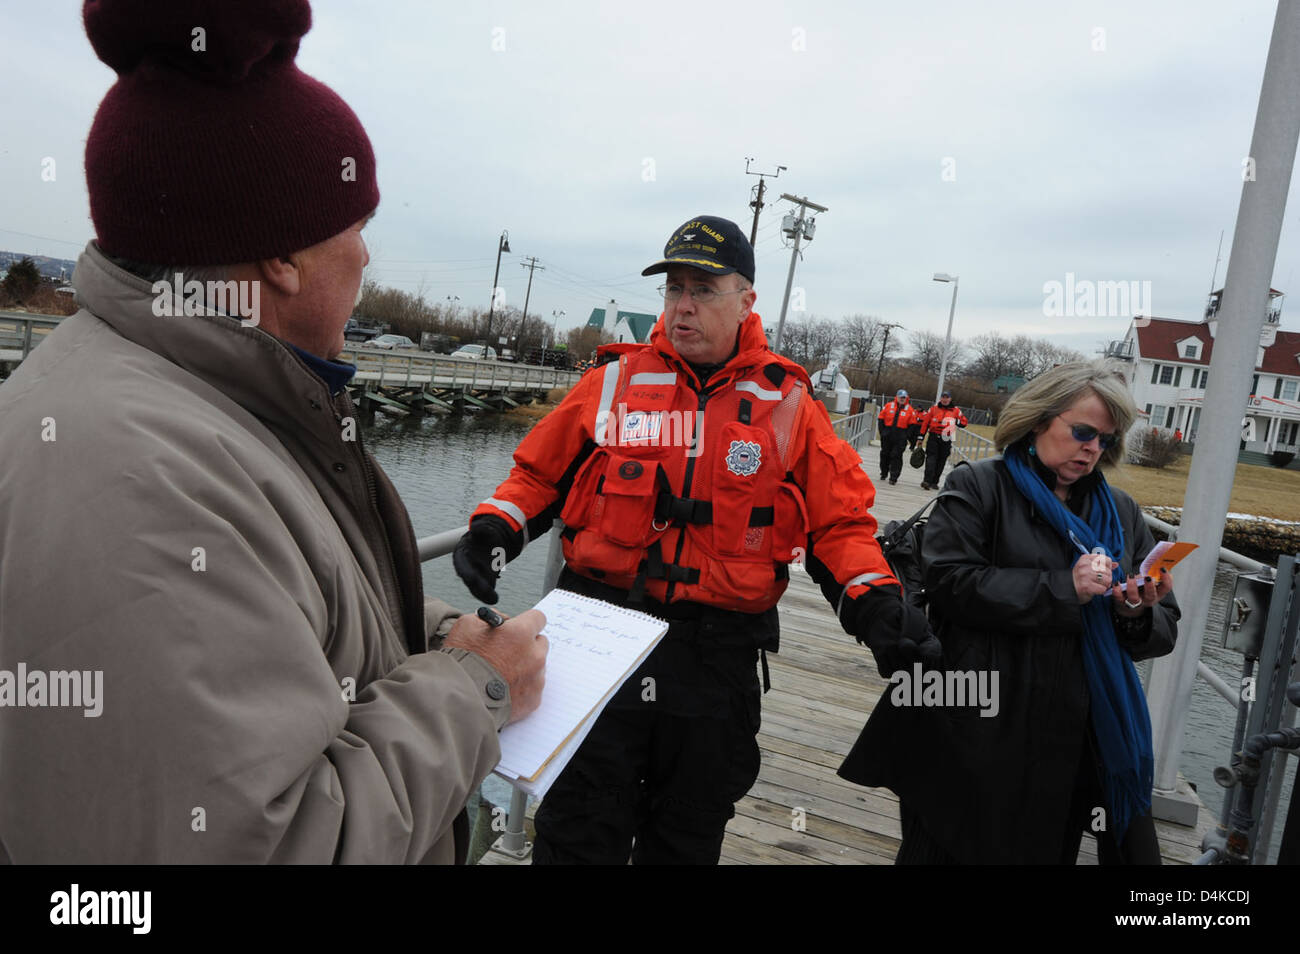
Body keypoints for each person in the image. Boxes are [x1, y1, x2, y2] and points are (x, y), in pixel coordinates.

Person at [0, 0, 547, 864]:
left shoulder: (183, 393)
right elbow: (269, 844)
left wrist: (425, 628)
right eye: (358, 226)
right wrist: (475, 689)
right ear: (280, 260)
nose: (367, 258)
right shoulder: (145, 483)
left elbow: (269, 609)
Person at [454, 214, 937, 864]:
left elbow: (838, 526)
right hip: (597, 648)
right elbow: (537, 476)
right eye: (674, 289)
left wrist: (878, 606)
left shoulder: (788, 403)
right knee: (576, 832)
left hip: (715, 664)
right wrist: (495, 527)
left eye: (703, 290)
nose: (684, 307)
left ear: (746, 300)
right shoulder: (614, 383)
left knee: (685, 837)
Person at [839, 360, 1180, 864]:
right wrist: (1065, 588)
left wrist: (1135, 610)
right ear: (1040, 419)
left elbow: (1161, 629)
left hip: (1068, 740)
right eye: (1083, 432)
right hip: (970, 722)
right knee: (943, 847)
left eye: (1105, 440)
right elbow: (950, 583)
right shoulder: (979, 485)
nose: (1092, 449)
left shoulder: (1122, 512)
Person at [918, 391, 969, 490]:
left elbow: (964, 422)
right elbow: (925, 423)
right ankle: (927, 481)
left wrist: (956, 421)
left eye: (947, 397)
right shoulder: (933, 409)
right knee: (931, 459)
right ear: (940, 398)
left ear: (950, 399)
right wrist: (920, 437)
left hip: (947, 437)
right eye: (943, 397)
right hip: (933, 436)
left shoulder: (956, 411)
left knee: (941, 460)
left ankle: (934, 482)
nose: (945, 399)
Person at [877, 389, 920, 485]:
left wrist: (906, 436)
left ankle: (893, 477)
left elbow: (912, 425)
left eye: (904, 398)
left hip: (900, 435)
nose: (902, 399)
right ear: (896, 397)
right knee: (885, 454)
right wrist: (883, 432)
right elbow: (881, 419)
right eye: (900, 397)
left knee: (896, 456)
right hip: (887, 434)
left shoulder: (910, 410)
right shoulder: (888, 406)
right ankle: (884, 472)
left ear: (906, 398)